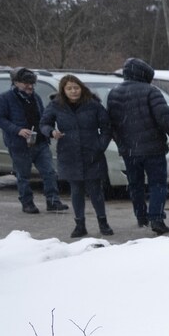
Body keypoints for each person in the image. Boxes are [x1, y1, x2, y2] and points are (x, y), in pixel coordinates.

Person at [107, 57, 169, 235]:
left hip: (129, 150)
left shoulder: (114, 93)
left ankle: (141, 216)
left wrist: (121, 142)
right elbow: (165, 118)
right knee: (157, 184)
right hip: (153, 149)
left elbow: (111, 123)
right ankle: (156, 218)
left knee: (135, 184)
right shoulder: (151, 91)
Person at [38, 75, 113, 238]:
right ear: (63, 91)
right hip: (69, 153)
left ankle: (103, 223)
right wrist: (51, 132)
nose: (73, 91)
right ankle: (80, 224)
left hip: (92, 153)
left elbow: (107, 127)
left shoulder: (93, 105)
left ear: (81, 88)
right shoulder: (56, 105)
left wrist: (100, 146)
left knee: (96, 191)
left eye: (76, 88)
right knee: (76, 190)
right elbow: (44, 123)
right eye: (69, 88)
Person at [0, 67, 68, 215]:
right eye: (25, 83)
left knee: (49, 173)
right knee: (23, 176)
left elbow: (43, 118)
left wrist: (50, 132)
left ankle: (53, 201)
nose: (30, 86)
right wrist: (18, 130)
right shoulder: (4, 99)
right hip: (19, 145)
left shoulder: (36, 97)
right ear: (15, 83)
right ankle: (27, 203)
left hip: (40, 142)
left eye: (32, 83)